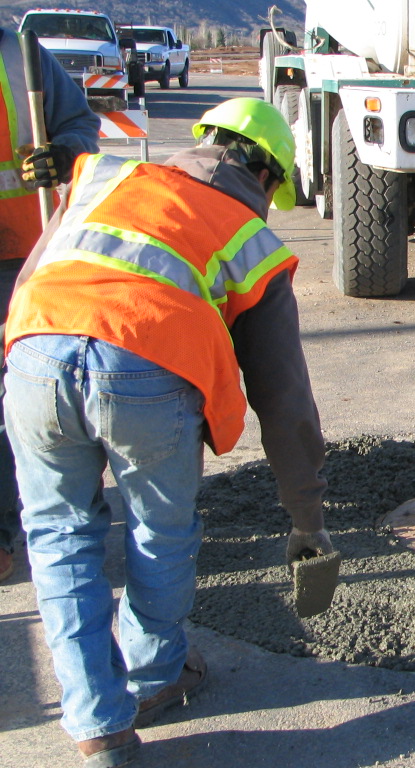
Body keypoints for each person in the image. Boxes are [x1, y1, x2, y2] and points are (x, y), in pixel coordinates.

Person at [3, 97, 334, 768]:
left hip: (36, 352)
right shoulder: (250, 239)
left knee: (60, 536)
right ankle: (153, 674)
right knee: (160, 530)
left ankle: (97, 725)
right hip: (146, 367)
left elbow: (32, 277)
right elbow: (284, 400)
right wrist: (307, 519)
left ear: (205, 141)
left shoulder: (101, 175)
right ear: (266, 177)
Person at [0, 26, 100, 583]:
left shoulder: (17, 53)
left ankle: (6, 526)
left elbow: (80, 125)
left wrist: (64, 156)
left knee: (18, 401)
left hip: (21, 258)